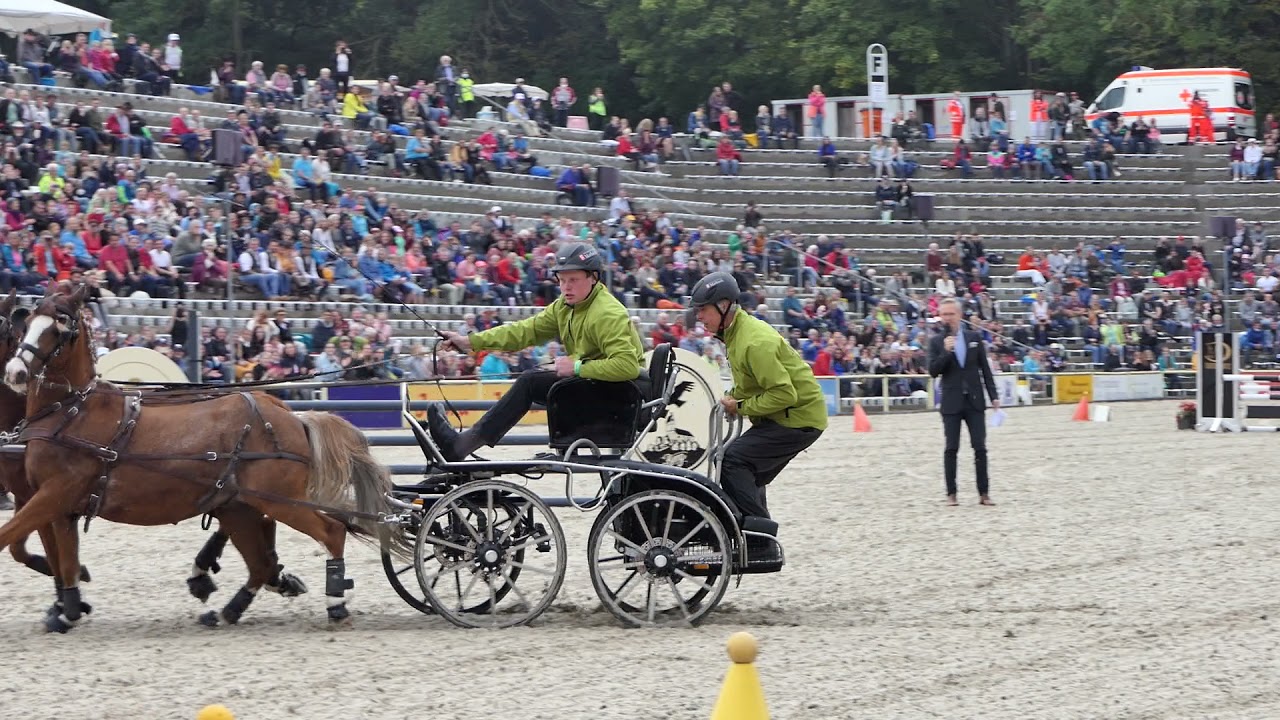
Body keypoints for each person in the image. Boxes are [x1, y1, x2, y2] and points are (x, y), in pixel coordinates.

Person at [426, 243, 644, 461]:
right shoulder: (565, 306)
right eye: (562, 280)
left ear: (593, 278)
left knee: (531, 380)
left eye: (573, 280)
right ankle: (462, 446)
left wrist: (577, 367)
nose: (566, 287)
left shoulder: (607, 313)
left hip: (619, 395)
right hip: (597, 387)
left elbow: (627, 366)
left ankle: (460, 447)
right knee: (535, 378)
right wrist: (470, 342)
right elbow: (524, 331)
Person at [686, 272, 826, 521]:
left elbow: (784, 394)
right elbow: (748, 385)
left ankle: (759, 538)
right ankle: (754, 531)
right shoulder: (735, 335)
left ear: (723, 306)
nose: (698, 316)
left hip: (798, 418)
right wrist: (726, 398)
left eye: (703, 309)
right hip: (787, 415)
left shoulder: (754, 341)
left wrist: (739, 406)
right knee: (745, 470)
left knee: (731, 461)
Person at [927, 298, 1000, 506]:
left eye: (951, 314)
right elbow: (933, 371)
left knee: (980, 447)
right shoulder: (935, 341)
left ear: (959, 315)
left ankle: (984, 493)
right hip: (951, 402)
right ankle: (952, 493)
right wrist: (946, 352)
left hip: (974, 401)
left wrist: (993, 395)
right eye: (944, 314)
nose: (947, 318)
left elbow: (984, 370)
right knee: (951, 448)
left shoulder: (973, 337)